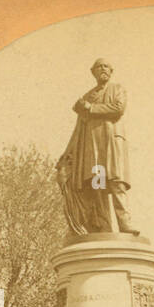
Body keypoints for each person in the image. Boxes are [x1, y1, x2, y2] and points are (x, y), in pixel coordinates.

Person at [56, 58, 136, 235]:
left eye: (106, 66)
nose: (103, 69)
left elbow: (118, 108)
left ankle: (125, 224)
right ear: (93, 72)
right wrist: (67, 152)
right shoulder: (87, 96)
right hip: (93, 148)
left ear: (111, 70)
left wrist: (90, 108)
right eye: (99, 67)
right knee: (97, 186)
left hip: (111, 143)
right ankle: (103, 227)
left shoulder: (117, 89)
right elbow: (79, 128)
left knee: (116, 183)